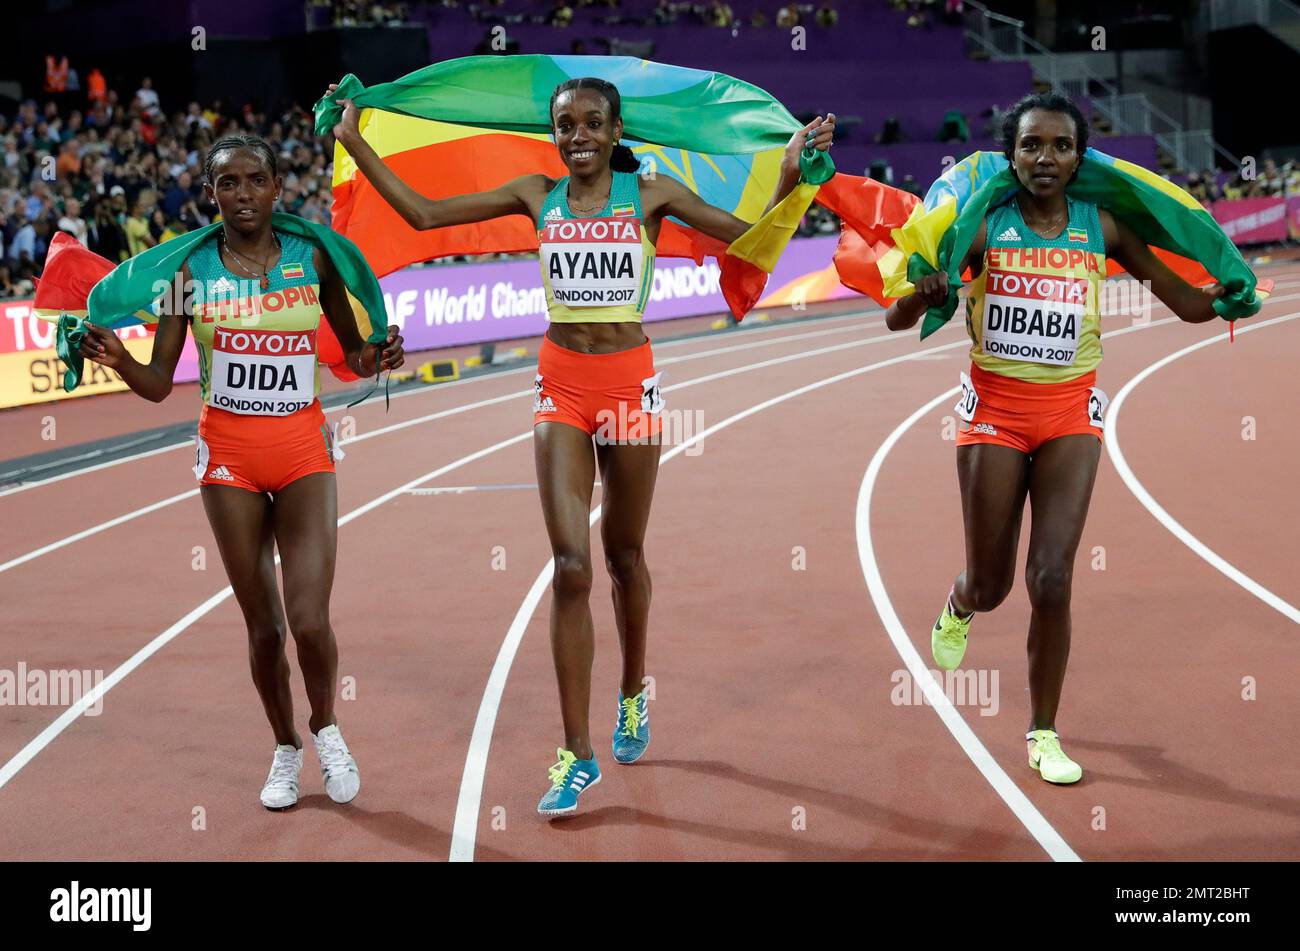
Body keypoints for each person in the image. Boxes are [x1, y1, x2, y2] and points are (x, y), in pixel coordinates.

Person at [328, 76, 834, 816]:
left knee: (624, 556)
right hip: (559, 385)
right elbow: (425, 213)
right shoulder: (538, 194)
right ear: (554, 133)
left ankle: (632, 691)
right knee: (571, 565)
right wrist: (353, 141)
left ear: (615, 126)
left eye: (592, 123)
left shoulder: (652, 195)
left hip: (630, 387)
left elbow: (751, 236)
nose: (578, 137)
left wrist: (790, 174)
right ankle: (577, 752)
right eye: (566, 125)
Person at [885, 93, 1228, 785]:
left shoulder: (1102, 226)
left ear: (1081, 157)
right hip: (995, 415)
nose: (1046, 158)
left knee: (1054, 575)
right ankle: (959, 605)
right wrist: (925, 290)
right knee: (993, 584)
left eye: (1061, 146)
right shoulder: (984, 226)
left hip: (1072, 411)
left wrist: (1229, 298)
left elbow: (1184, 299)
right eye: (1032, 145)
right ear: (1011, 155)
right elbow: (898, 318)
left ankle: (1043, 731)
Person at [76, 134, 405, 810]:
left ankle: (326, 726)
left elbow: (355, 356)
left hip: (304, 448)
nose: (244, 194)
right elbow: (160, 382)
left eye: (256, 180)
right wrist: (116, 358)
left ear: (278, 185)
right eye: (229, 183)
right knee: (264, 627)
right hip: (227, 456)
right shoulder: (187, 275)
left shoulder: (313, 259)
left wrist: (382, 355)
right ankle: (285, 744)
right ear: (211, 193)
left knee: (309, 618)